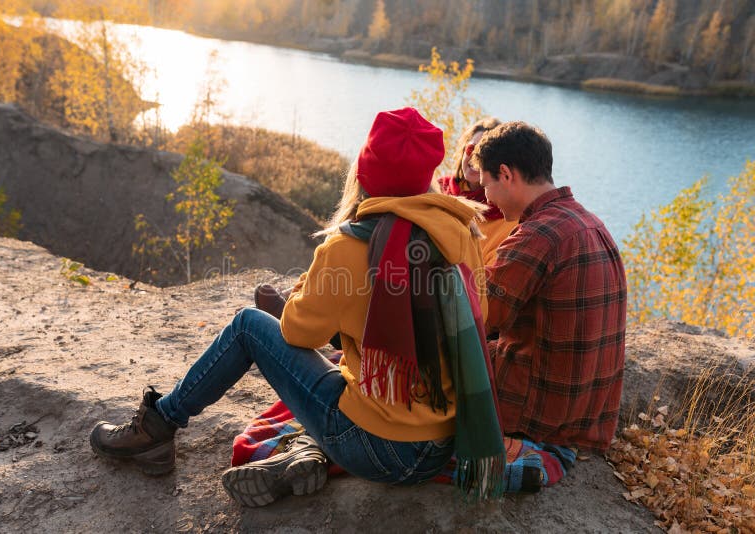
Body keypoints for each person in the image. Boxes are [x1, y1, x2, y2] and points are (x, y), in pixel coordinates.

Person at [89, 107, 506, 507]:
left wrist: (310, 282)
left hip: (381, 451)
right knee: (343, 353)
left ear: (365, 172)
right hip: (445, 442)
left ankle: (156, 428)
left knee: (249, 326)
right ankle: (291, 453)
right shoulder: (462, 231)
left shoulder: (348, 245)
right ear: (427, 177)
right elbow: (476, 317)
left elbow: (296, 333)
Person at [471, 121, 627, 453]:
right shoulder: (590, 222)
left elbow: (479, 314)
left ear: (506, 174)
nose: (487, 198)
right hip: (589, 415)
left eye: (486, 184)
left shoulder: (537, 234)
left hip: (540, 416)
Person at [438, 117, 517, 266]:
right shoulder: (439, 189)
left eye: (485, 154)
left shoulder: (508, 218)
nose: (475, 158)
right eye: (471, 149)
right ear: (463, 151)